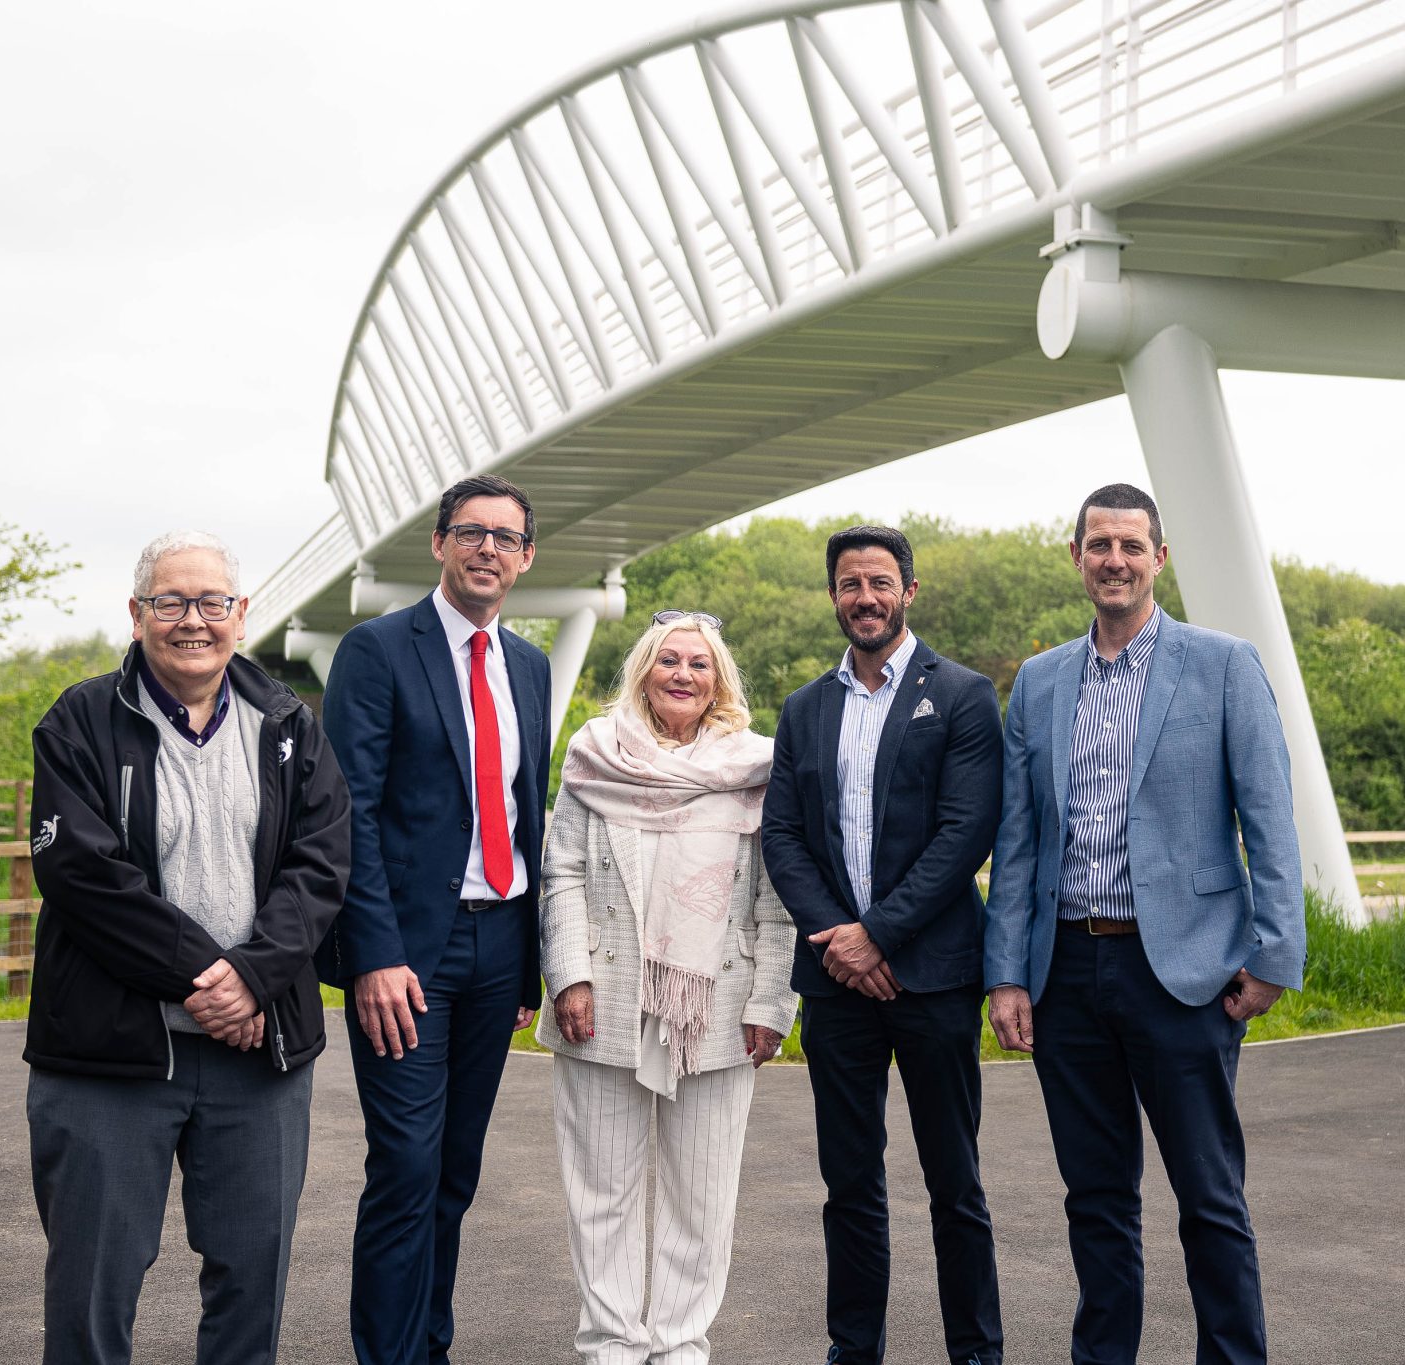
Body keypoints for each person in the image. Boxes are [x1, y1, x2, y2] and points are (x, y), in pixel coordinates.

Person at [984, 483, 1306, 1365]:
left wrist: (1275, 954)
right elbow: (1019, 842)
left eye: (1131, 545)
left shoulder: (1224, 664)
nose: (1114, 560)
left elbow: (1270, 820)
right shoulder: (1042, 681)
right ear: (1077, 557)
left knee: (1208, 1198)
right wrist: (1006, 971)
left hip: (1186, 973)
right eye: (1099, 545)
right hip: (1067, 978)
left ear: (1159, 557)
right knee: (1094, 1199)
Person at [24, 529, 350, 1365]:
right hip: (111, 1052)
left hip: (258, 1055)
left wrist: (252, 978)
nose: (192, 620)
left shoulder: (287, 724)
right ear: (137, 615)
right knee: (94, 1282)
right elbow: (80, 872)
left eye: (211, 603)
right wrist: (213, 976)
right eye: (170, 602)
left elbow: (322, 862)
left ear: (241, 616)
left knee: (252, 1277)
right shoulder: (80, 720)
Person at [318, 473, 552, 1365]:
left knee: (454, 1172)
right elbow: (350, 814)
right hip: (407, 951)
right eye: (470, 532)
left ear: (527, 557)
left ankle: (431, 1347)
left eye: (504, 536)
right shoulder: (377, 651)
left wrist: (529, 962)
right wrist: (373, 952)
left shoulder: (527, 664)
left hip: (499, 944)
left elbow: (526, 810)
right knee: (407, 1168)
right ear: (439, 543)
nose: (486, 548)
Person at [762, 525, 1006, 1365]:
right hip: (836, 984)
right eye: (848, 583)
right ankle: (852, 1346)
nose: (864, 596)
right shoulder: (804, 707)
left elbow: (965, 831)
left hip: (933, 979)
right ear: (834, 595)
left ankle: (975, 1350)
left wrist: (879, 934)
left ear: (909, 590)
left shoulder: (965, 695)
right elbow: (783, 836)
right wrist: (842, 941)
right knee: (850, 1183)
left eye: (879, 582)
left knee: (954, 1182)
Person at [536, 610, 800, 1365]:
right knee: (601, 1192)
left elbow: (776, 897)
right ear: (644, 671)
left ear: (719, 680)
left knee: (703, 1195)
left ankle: (680, 1345)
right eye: (668, 661)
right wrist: (569, 977)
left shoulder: (754, 767)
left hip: (715, 1004)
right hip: (604, 998)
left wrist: (770, 1002)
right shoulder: (594, 754)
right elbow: (561, 874)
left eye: (699, 663)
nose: (683, 674)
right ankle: (612, 1345)